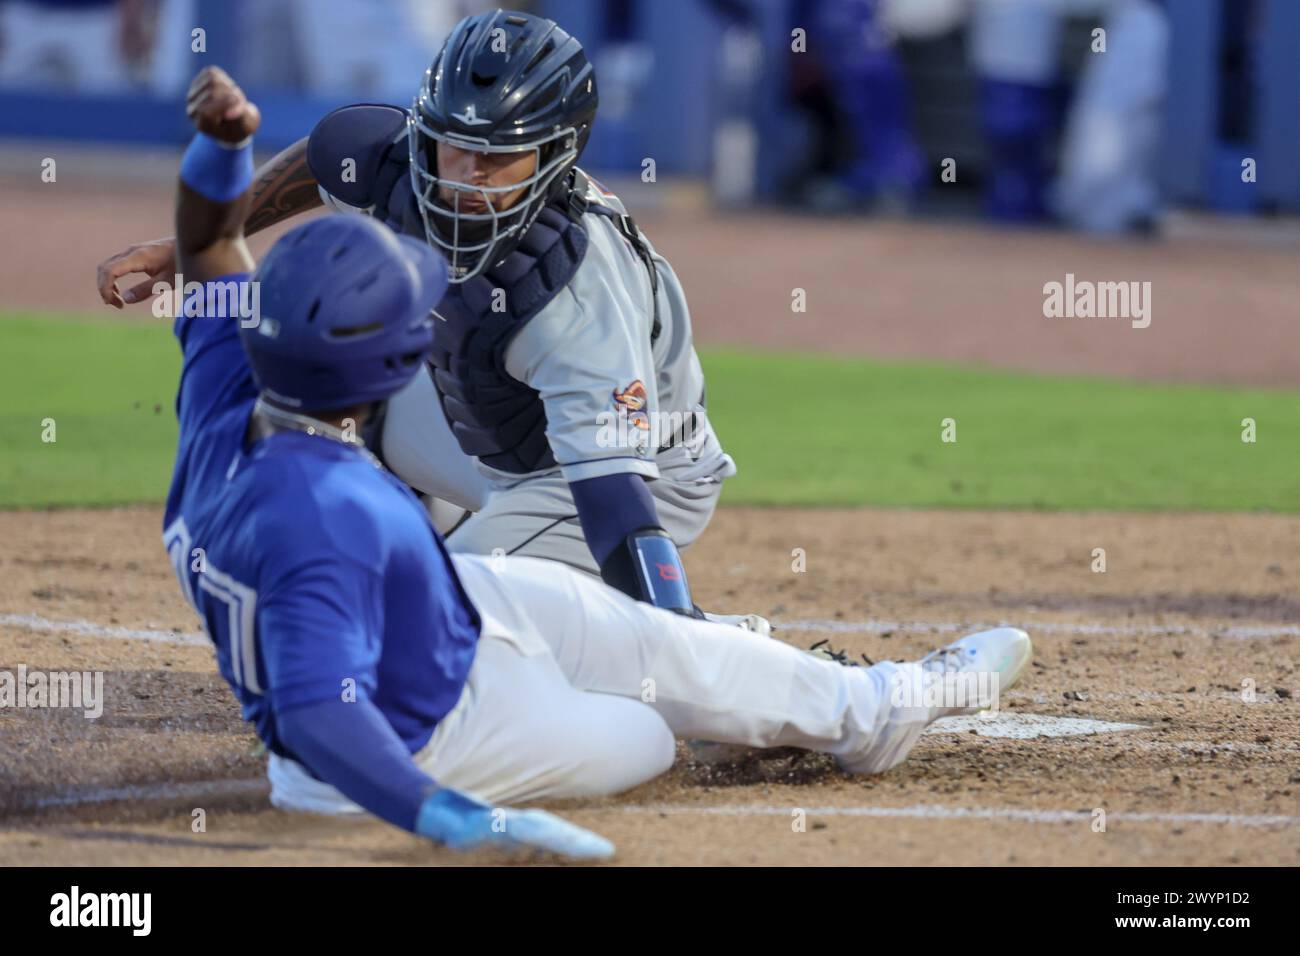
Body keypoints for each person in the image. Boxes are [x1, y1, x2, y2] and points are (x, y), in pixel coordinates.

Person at [163, 64, 1033, 859]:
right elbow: (319, 714)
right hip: (429, 737)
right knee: (648, 732)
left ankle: (881, 706)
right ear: (393, 370)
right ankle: (772, 686)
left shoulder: (226, 384)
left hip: (446, 612)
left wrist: (223, 148)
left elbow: (208, 245)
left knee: (634, 631)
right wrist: (453, 816)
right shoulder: (333, 514)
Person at [99, 9, 759, 628]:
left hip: (618, 474)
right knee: (322, 369)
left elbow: (618, 511)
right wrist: (192, 244)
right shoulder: (400, 164)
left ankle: (731, 645)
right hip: (483, 428)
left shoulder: (576, 293)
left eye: (499, 155)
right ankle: (426, 528)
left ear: (557, 153)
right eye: (455, 146)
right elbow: (328, 156)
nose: (469, 175)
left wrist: (680, 648)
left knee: (427, 629)